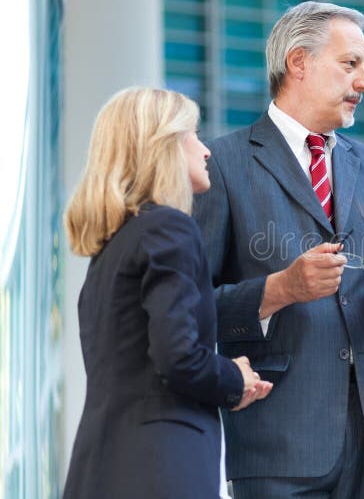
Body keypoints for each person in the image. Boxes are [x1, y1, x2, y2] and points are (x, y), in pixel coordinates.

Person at [192, 1, 364, 498]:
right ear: (299, 63)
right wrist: (278, 290)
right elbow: (190, 308)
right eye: (351, 64)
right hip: (277, 440)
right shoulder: (221, 164)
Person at [62, 87, 272, 499]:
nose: (206, 149)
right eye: (193, 134)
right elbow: (178, 358)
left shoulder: (111, 250)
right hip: (161, 469)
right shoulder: (170, 229)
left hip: (100, 469)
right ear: (164, 145)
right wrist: (236, 377)